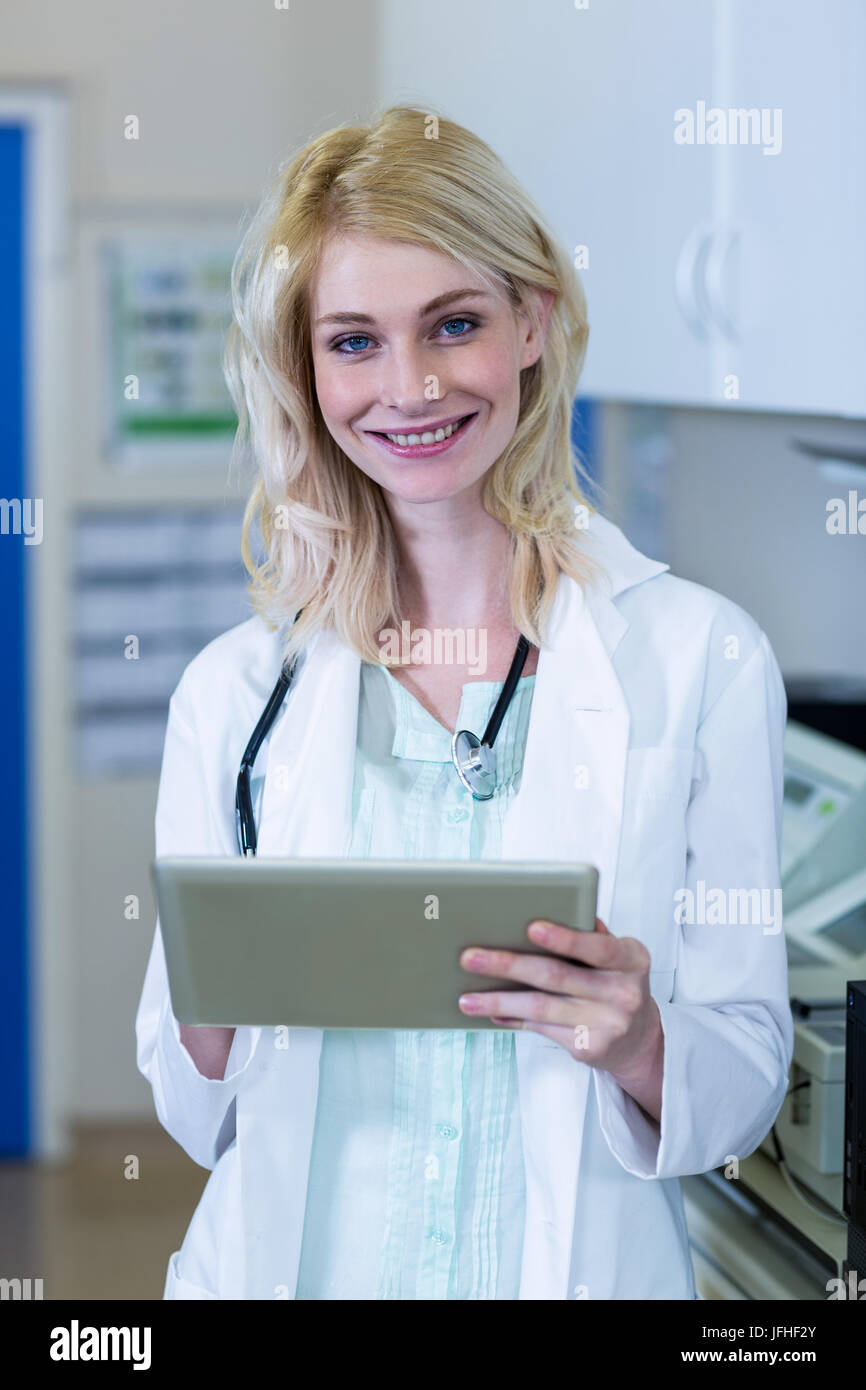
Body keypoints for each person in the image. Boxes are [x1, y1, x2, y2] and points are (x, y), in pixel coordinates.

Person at [135, 105, 793, 1300]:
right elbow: (195, 1107)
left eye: (453, 324)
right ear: (303, 365)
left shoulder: (702, 660)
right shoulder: (236, 696)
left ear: (531, 320)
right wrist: (208, 1029)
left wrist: (642, 1041)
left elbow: (745, 1073)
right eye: (352, 342)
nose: (410, 387)